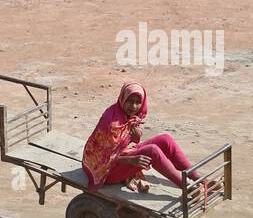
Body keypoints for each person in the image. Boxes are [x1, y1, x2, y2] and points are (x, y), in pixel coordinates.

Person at [82, 82, 220, 197]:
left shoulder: (127, 117)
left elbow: (123, 143)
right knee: (152, 151)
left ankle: (198, 178)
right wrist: (130, 160)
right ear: (122, 98)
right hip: (103, 170)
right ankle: (187, 187)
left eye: (137, 102)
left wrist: (135, 138)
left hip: (119, 157)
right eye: (130, 101)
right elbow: (101, 156)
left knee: (165, 139)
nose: (134, 106)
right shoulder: (111, 121)